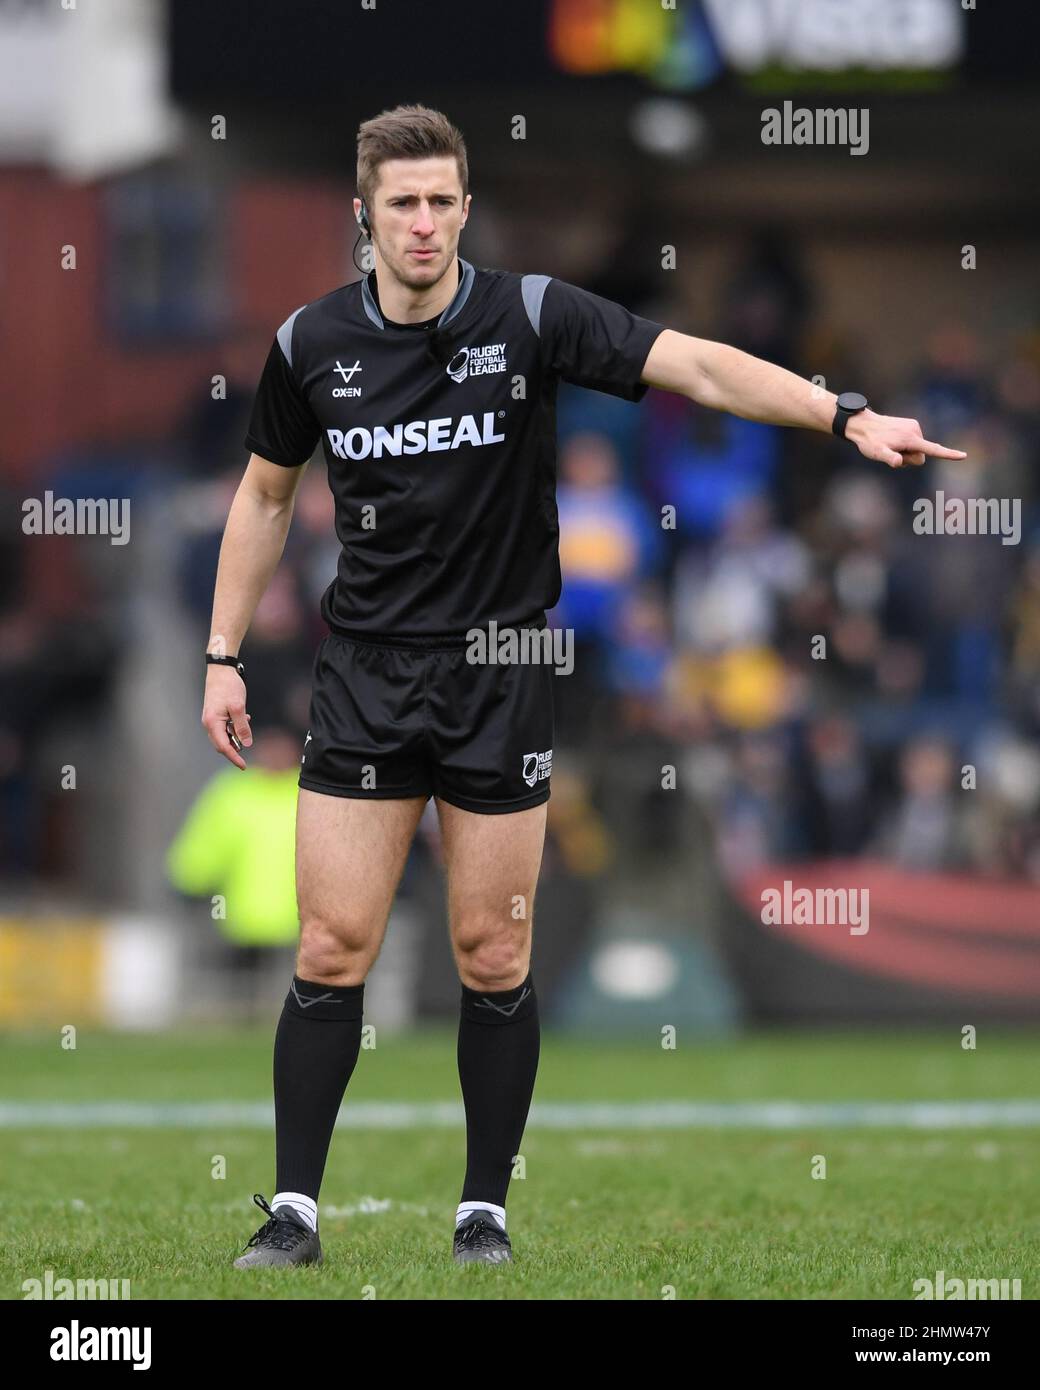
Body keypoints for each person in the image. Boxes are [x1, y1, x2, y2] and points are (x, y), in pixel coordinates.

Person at [202, 103, 965, 1270]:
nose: (422, 222)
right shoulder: (311, 345)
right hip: (363, 676)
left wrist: (839, 412)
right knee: (331, 941)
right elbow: (261, 499)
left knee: (491, 953)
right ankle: (293, 1211)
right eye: (399, 203)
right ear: (365, 216)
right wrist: (221, 655)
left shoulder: (533, 314)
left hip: (502, 674)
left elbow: (695, 364)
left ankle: (482, 1214)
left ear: (464, 207)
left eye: (440, 201)